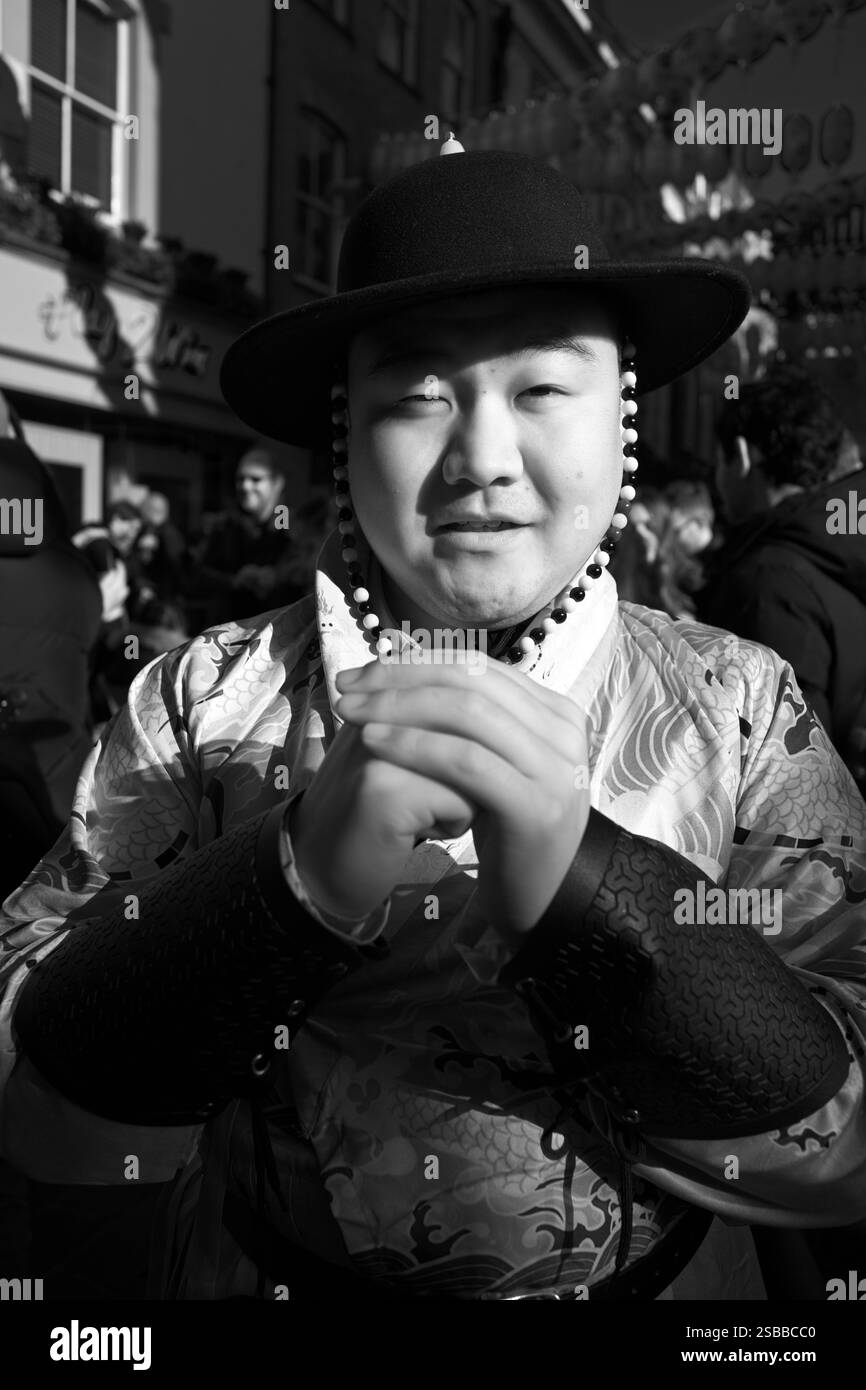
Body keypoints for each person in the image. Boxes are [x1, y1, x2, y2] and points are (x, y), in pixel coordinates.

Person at [1, 145, 865, 1304]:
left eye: (544, 390)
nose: (480, 460)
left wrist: (600, 896)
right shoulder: (198, 702)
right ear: (342, 428)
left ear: (621, 420)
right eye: (415, 396)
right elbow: (29, 1094)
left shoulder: (742, 703)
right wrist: (288, 879)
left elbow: (845, 1149)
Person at [701, 364, 866, 792]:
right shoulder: (831, 554)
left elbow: (790, 771)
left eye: (718, 461)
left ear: (740, 455)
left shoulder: (768, 582)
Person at [187, 447, 299, 622]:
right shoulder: (223, 525)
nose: (245, 486)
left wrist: (276, 576)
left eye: (256, 479)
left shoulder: (291, 522)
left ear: (277, 482)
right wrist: (234, 580)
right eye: (240, 479)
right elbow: (197, 574)